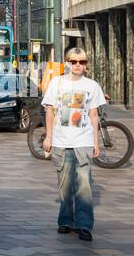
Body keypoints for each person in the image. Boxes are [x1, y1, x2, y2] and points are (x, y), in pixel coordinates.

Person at [42, 47, 105, 242]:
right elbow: (50, 111)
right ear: (67, 63)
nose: (78, 65)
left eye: (82, 62)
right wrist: (48, 137)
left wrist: (96, 141)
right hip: (61, 141)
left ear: (86, 65)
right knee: (65, 185)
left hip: (83, 141)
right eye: (74, 61)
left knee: (84, 185)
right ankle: (65, 221)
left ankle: (84, 225)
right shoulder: (56, 83)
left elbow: (94, 115)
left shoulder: (92, 85)